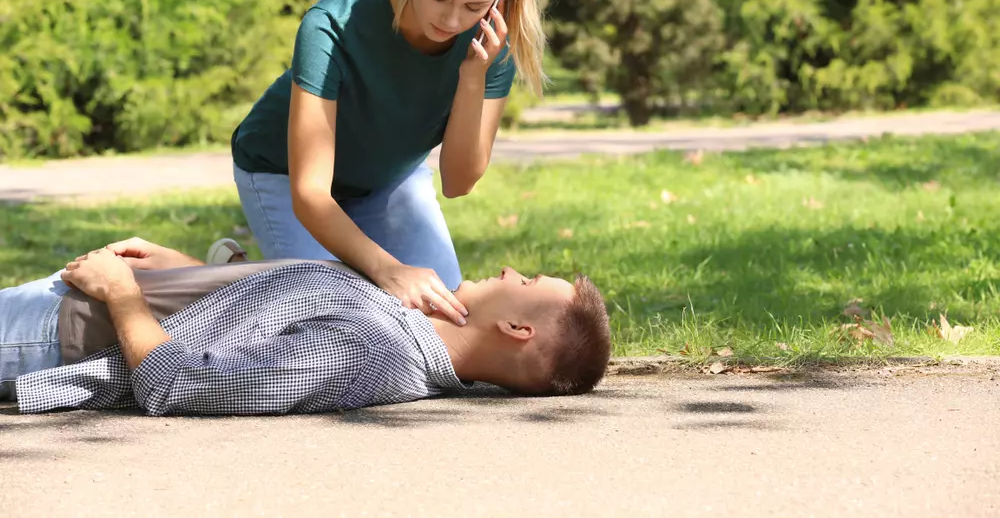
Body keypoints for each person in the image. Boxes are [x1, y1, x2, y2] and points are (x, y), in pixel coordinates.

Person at [228, 0, 546, 315]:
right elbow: (311, 194)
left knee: (446, 320)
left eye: (474, 6)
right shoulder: (332, 24)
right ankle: (229, 274)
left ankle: (255, 276)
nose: (453, 20)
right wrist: (387, 269)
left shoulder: (490, 45)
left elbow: (459, 182)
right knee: (332, 320)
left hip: (386, 180)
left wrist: (473, 78)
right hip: (281, 175)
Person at [2, 238, 611, 416]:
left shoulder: (366, 353)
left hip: (57, 333)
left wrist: (122, 292)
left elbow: (180, 384)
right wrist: (184, 270)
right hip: (70, 307)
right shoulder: (403, 324)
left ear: (516, 328)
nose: (511, 268)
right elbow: (254, 322)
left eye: (528, 282)